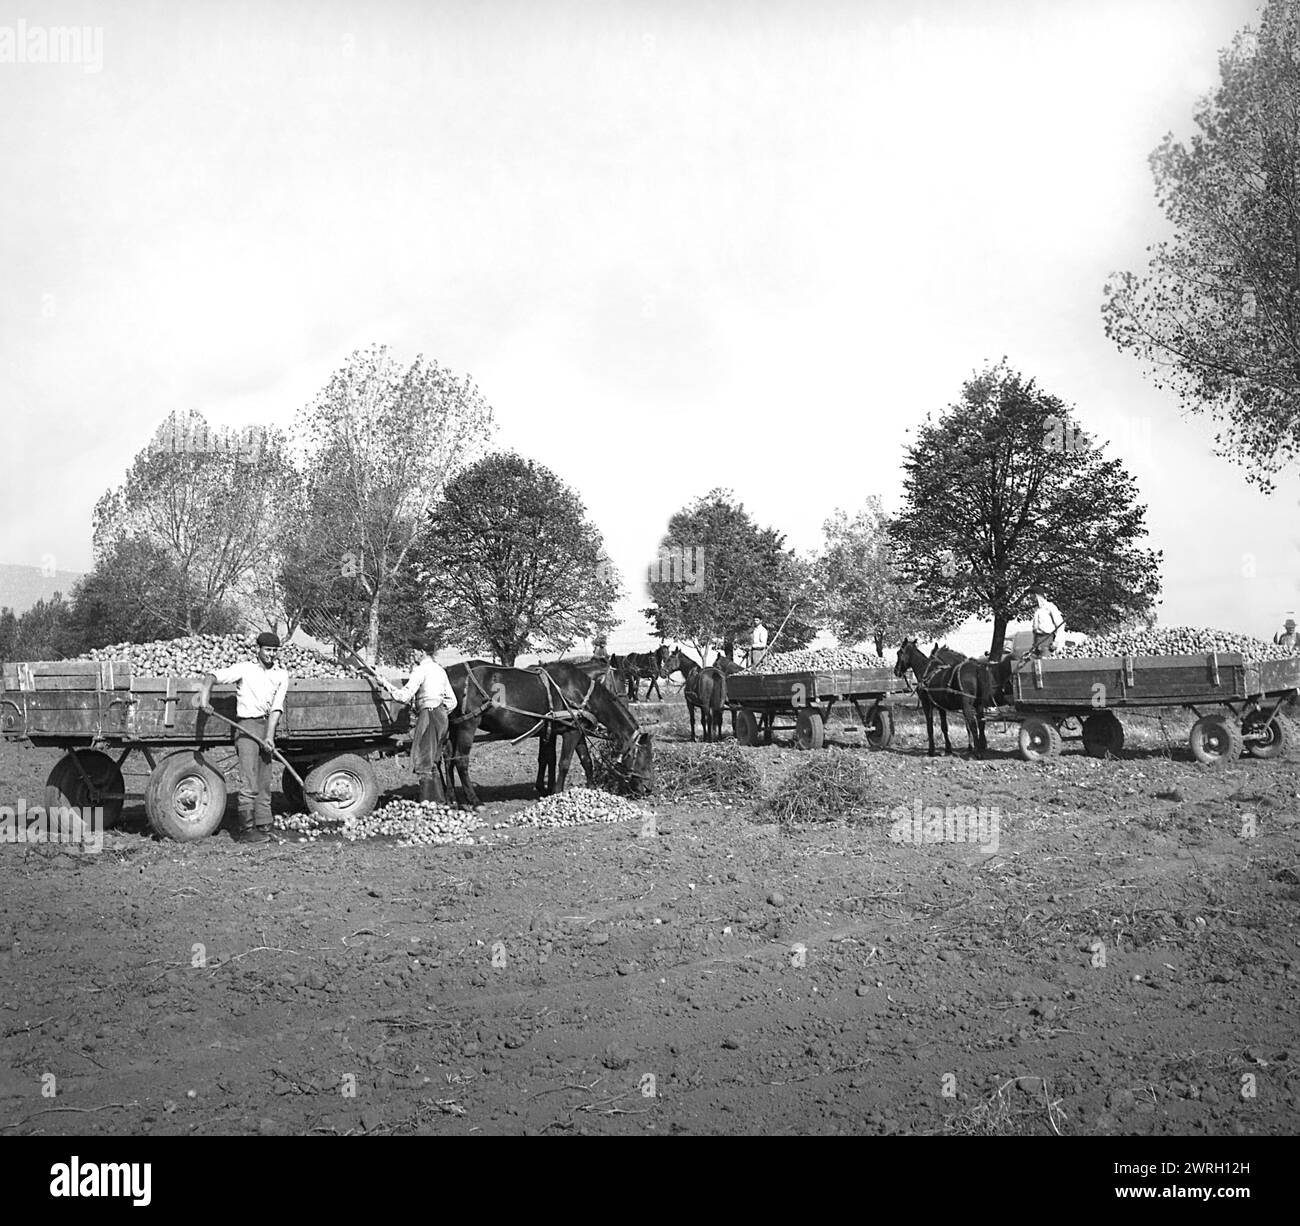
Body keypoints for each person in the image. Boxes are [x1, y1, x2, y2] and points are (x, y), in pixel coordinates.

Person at [193, 631, 289, 846]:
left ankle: (264, 825)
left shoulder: (281, 675)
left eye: (274, 651)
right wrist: (205, 699)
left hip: (265, 727)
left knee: (265, 780)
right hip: (246, 726)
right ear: (259, 649)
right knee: (249, 779)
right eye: (267, 650)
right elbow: (212, 676)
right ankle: (246, 830)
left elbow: (276, 708)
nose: (271, 655)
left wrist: (269, 737)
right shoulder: (245, 669)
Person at [381, 634, 458, 803]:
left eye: (414, 651)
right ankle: (438, 799)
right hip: (440, 716)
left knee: (423, 759)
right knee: (433, 758)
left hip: (429, 715)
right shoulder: (440, 670)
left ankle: (429, 801)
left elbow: (403, 696)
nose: (412, 654)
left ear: (422, 652)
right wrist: (440, 712)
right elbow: (452, 702)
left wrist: (385, 683)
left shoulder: (420, 670)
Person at [1029, 586, 1065, 657]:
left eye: (1032, 595)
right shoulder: (1036, 609)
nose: (1030, 598)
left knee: (1045, 664)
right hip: (1037, 641)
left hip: (1047, 640)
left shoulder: (1050, 607)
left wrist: (1056, 642)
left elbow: (1060, 625)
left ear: (1037, 596)